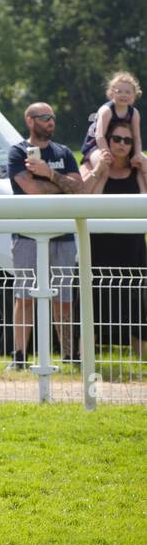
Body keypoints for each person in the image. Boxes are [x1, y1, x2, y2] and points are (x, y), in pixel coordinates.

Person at [6, 103, 84, 370]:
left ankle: (70, 357)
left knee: (63, 298)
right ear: (30, 120)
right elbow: (31, 190)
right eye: (44, 117)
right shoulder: (17, 152)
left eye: (53, 117)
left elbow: (78, 188)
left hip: (62, 236)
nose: (50, 122)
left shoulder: (63, 152)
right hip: (27, 234)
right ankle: (18, 358)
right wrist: (58, 185)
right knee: (24, 296)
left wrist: (48, 173)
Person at [81, 115, 147, 363]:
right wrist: (102, 171)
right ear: (107, 141)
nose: (121, 144)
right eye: (116, 139)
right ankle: (86, 360)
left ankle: (142, 360)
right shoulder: (91, 164)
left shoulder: (137, 169)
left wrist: (145, 167)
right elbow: (85, 198)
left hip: (131, 245)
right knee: (93, 301)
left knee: (137, 303)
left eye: (127, 140)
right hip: (98, 244)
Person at [80, 72, 144, 173]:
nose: (123, 95)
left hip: (119, 144)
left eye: (128, 92)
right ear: (111, 93)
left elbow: (136, 137)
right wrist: (106, 152)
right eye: (119, 91)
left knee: (143, 164)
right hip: (96, 145)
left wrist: (137, 153)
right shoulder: (106, 110)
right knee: (104, 165)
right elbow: (99, 135)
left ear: (134, 95)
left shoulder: (134, 113)